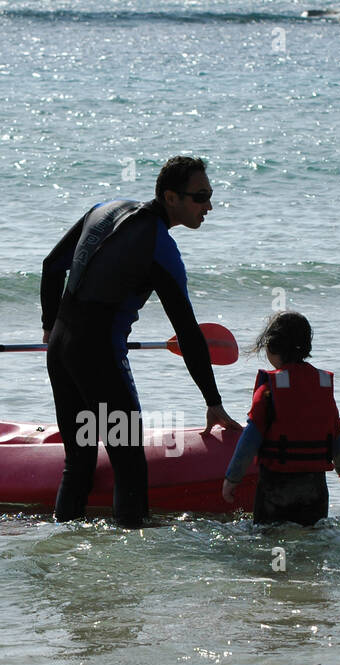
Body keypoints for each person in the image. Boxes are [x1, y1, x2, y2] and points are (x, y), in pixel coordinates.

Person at [41, 156, 240, 527]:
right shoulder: (159, 247)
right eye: (200, 197)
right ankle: (130, 563)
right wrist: (213, 402)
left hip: (62, 352)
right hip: (98, 358)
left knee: (79, 460)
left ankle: (61, 547)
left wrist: (50, 327)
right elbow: (187, 332)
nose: (208, 206)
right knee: (129, 462)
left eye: (210, 195)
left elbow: (52, 265)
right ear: (170, 197)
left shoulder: (104, 209)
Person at [221, 311, 340, 525]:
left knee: (268, 537)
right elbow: (337, 431)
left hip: (276, 486)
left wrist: (232, 478)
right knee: (311, 538)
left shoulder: (269, 389)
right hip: (314, 487)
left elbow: (250, 439)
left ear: (271, 346)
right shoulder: (322, 384)